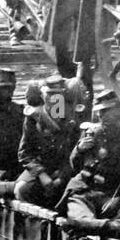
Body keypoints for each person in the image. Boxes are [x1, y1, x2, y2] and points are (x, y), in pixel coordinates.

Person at [59, 89, 120, 220]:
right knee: (84, 220)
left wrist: (119, 200)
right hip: (83, 192)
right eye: (100, 111)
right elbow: (74, 165)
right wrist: (79, 149)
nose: (101, 116)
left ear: (118, 111)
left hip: (109, 196)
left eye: (106, 111)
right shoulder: (91, 133)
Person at [14, 74, 80, 208]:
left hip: (65, 170)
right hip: (41, 168)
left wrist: (62, 176)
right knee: (21, 189)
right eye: (50, 95)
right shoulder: (34, 117)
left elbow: (75, 154)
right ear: (43, 96)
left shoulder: (73, 120)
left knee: (74, 193)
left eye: (59, 95)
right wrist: (41, 173)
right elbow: (24, 153)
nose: (55, 99)